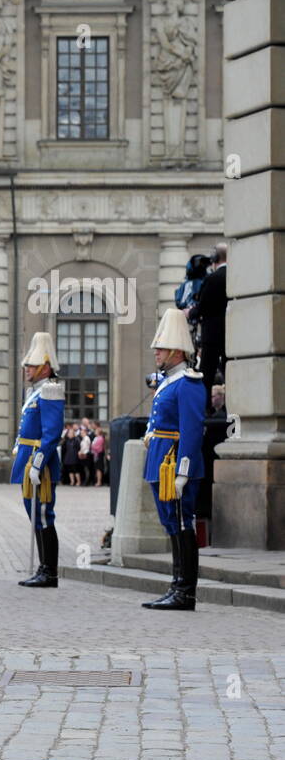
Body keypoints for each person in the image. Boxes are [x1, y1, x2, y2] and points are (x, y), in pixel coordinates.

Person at [142, 308, 206, 610]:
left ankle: (185, 591)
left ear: (177, 351)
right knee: (171, 524)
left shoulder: (188, 383)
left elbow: (191, 431)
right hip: (161, 462)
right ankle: (176, 585)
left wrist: (184, 471)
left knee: (182, 523)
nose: (156, 352)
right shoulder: (168, 382)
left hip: (175, 464)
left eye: (162, 347)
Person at [11, 331, 64, 587]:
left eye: (31, 366)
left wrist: (38, 463)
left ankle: (49, 571)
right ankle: (43, 568)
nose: (27, 369)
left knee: (43, 515)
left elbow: (51, 433)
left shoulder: (50, 391)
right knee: (35, 515)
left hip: (40, 464)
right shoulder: (34, 392)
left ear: (45, 367)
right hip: (28, 460)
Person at [190, 243, 227, 404]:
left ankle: (205, 408)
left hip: (212, 335)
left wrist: (190, 312)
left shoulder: (213, 279)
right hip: (232, 335)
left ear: (215, 259)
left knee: (206, 373)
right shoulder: (237, 276)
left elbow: (202, 307)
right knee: (229, 371)